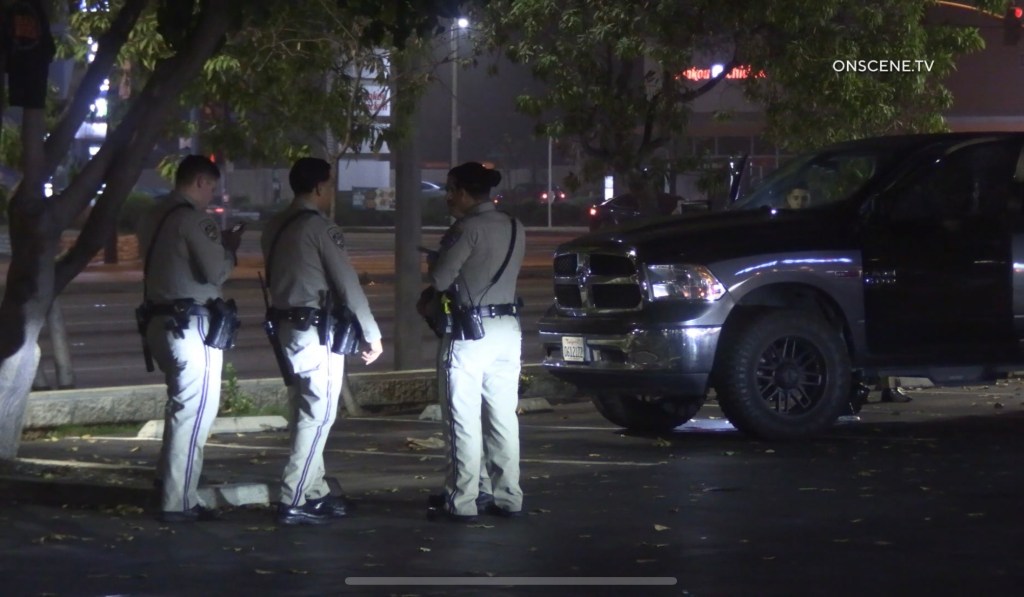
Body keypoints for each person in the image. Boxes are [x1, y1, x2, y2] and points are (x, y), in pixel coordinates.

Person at [261, 157, 383, 526]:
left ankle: (315, 492)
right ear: (318, 188)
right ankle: (294, 497)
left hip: (287, 329)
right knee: (319, 416)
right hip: (315, 333)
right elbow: (347, 283)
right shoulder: (319, 227)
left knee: (305, 413)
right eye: (329, 185)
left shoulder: (275, 225)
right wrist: (371, 334)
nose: (331, 192)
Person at [136, 155, 243, 522]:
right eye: (211, 186)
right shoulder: (195, 219)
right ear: (199, 181)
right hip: (192, 326)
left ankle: (167, 483)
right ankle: (178, 501)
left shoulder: (153, 214)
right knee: (195, 413)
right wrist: (229, 248)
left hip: (158, 322)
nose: (211, 194)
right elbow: (215, 271)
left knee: (179, 408)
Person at [425, 161, 526, 522]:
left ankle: (462, 500)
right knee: (503, 418)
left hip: (470, 332)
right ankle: (509, 496)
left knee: (461, 419)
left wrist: (435, 261)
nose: (449, 197)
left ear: (465, 193)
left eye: (451, 190)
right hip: (508, 329)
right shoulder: (515, 226)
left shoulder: (465, 229)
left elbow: (439, 280)